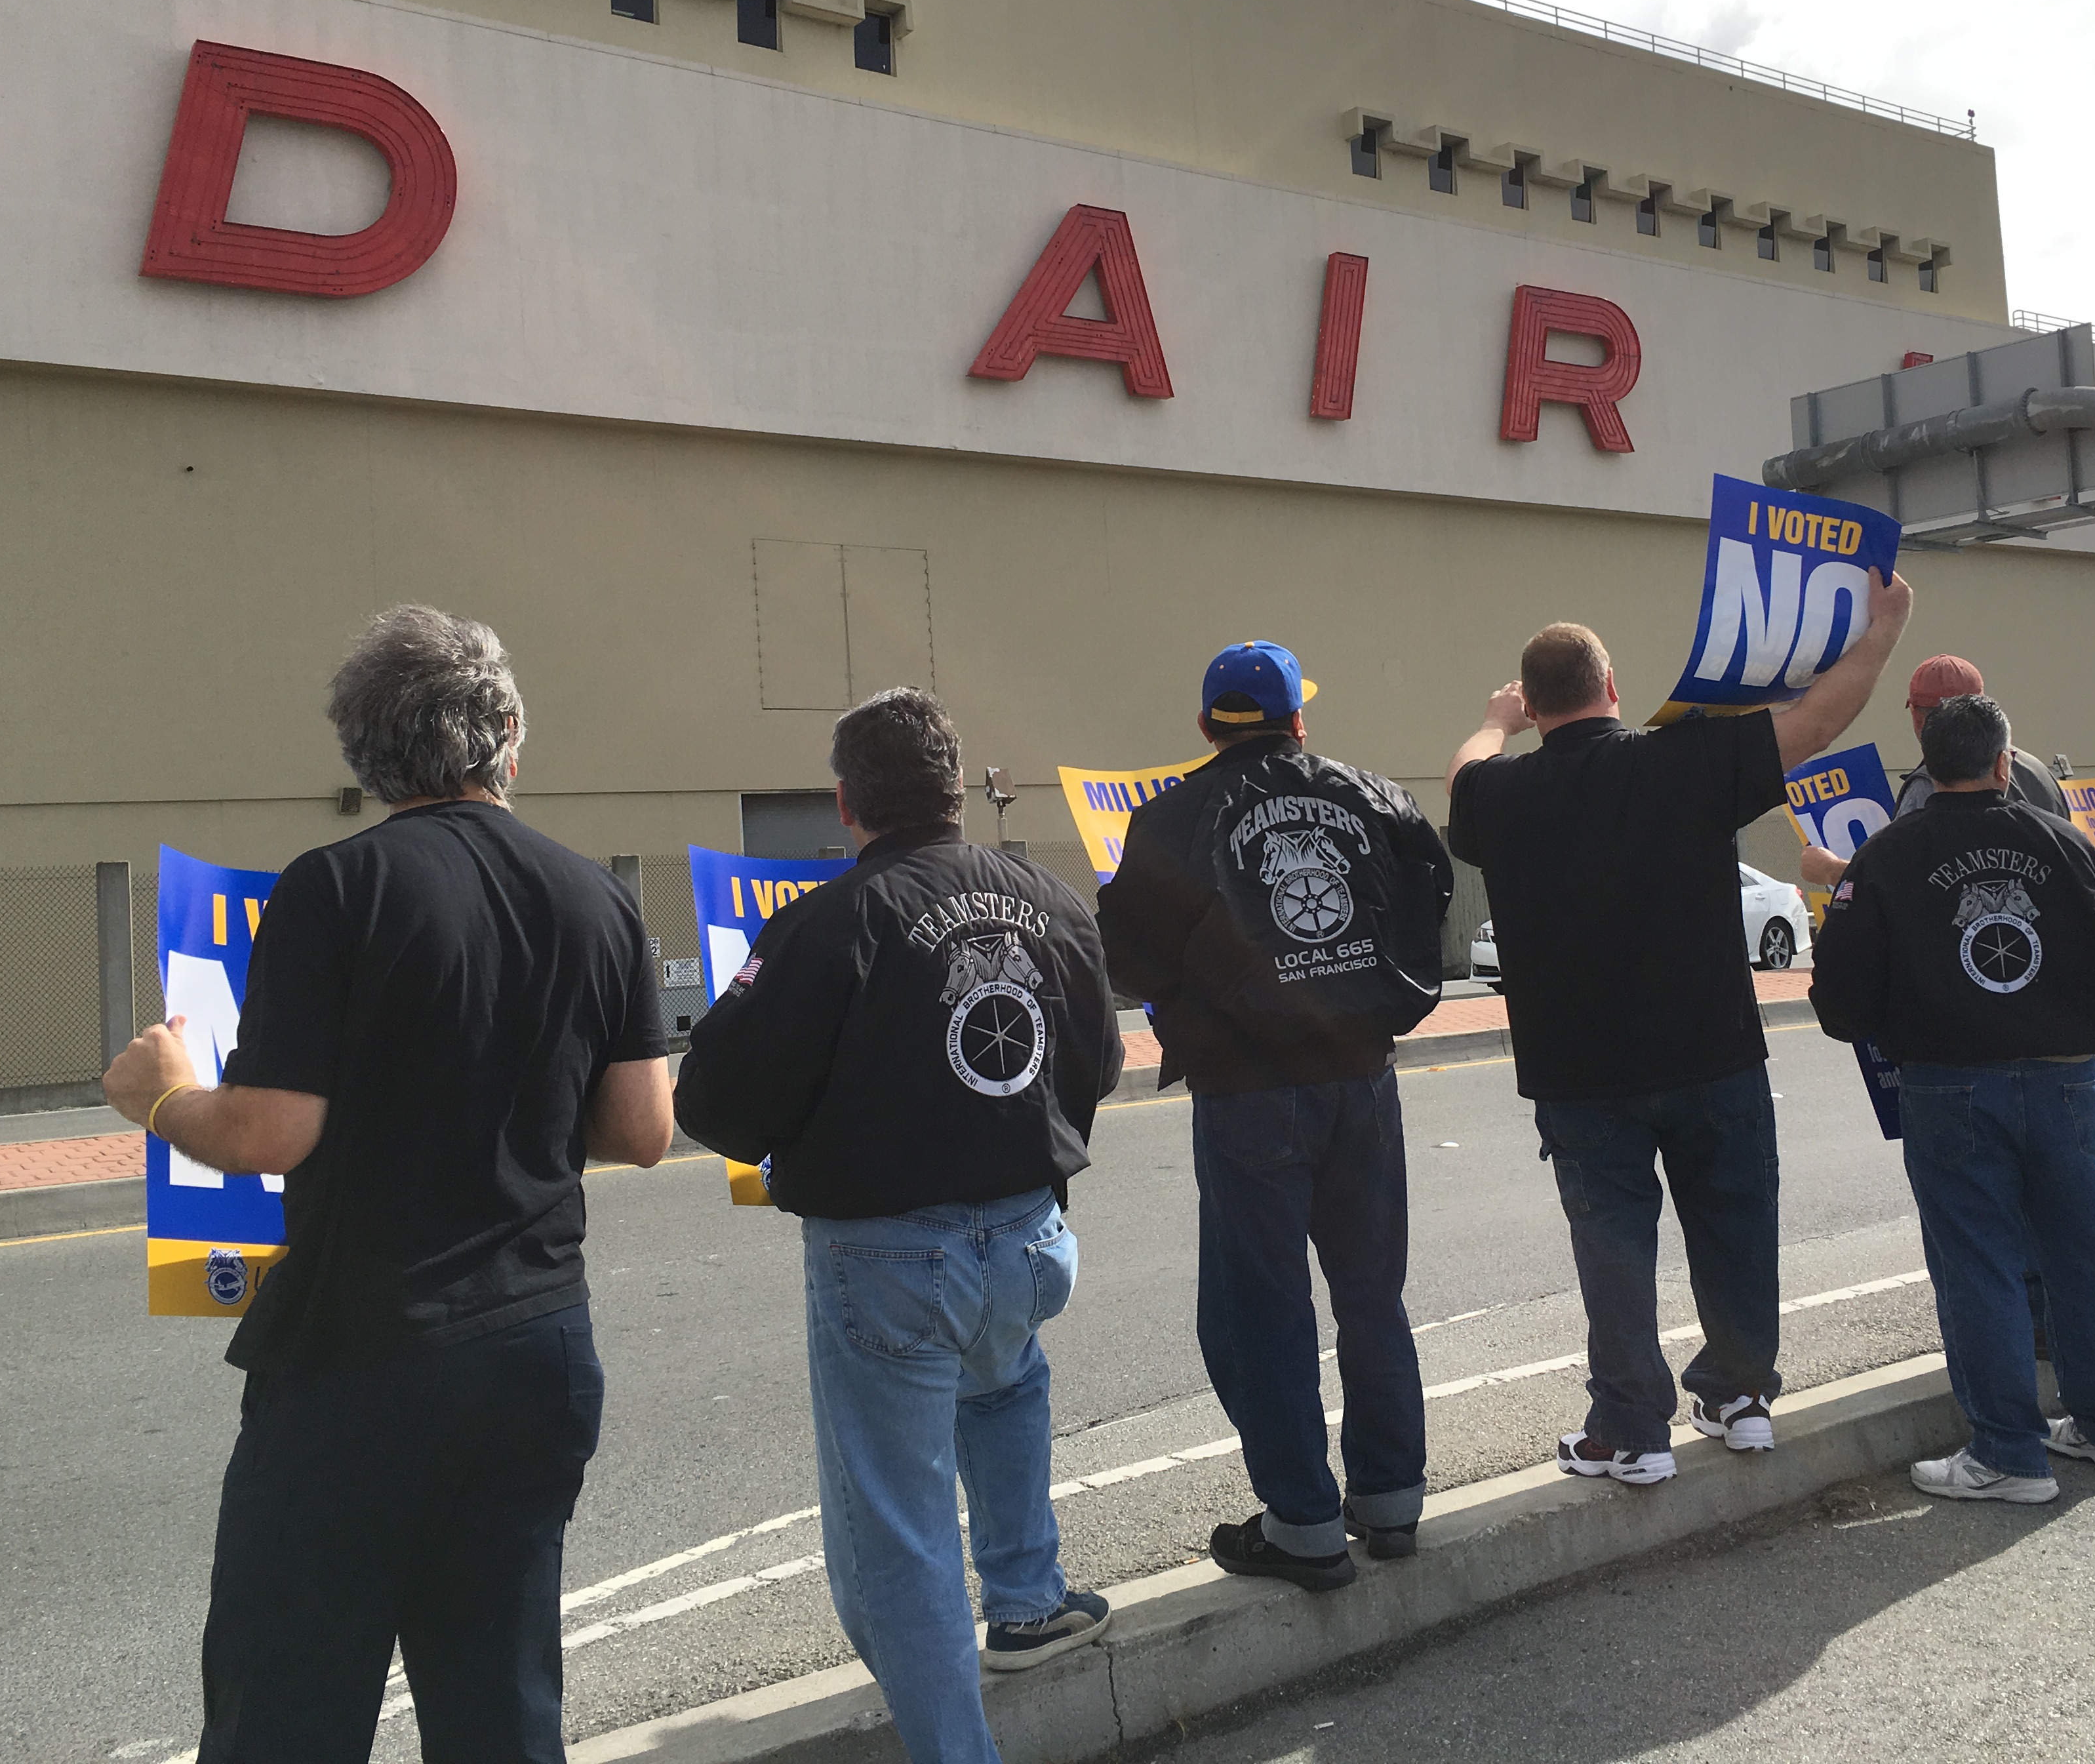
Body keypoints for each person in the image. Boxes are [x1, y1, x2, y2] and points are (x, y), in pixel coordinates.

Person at [99, 605, 677, 1764]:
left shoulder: (337, 887)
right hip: (538, 1348)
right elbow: (643, 1128)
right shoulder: (595, 895)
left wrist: (158, 1093)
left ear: (362, 754)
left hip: (364, 1354)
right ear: (506, 731)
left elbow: (267, 1130)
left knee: (289, 1705)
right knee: (500, 1703)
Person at [673, 688, 1122, 1764]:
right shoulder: (1053, 901)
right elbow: (1098, 1061)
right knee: (1006, 1377)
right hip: (1027, 1236)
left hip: (887, 1257)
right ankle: (1025, 1595)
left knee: (898, 1527)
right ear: (955, 788)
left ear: (846, 799)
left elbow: (715, 1100)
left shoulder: (827, 924)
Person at [1445, 574, 1911, 1485]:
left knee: (1614, 1248)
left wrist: (1496, 719)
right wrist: (1883, 631)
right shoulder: (1684, 759)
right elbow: (1815, 724)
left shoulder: (1502, 795)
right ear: (1613, 685)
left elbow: (1465, 771)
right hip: (1712, 1054)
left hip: (1581, 1074)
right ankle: (1738, 1399)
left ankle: (1631, 1431)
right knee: (1736, 1227)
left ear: (1537, 708)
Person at [1099, 641, 1454, 1591]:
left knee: (1261, 1309)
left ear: (1208, 726)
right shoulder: (1375, 795)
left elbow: (1127, 957)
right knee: (1372, 1295)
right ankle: (1391, 1500)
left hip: (1247, 1088)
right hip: (1360, 1076)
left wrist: (1198, 1000)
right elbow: (1431, 915)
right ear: (1300, 717)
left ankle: (1302, 1521)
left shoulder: (1170, 818)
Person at [1810, 694, 2095, 1502]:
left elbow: (1843, 998)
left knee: (1978, 1261)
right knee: (2087, 1250)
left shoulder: (1887, 856)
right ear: (2005, 761)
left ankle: (2008, 1451)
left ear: (1926, 765)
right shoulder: (2067, 843)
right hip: (2067, 1075)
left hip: (1947, 1081)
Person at [1799, 652, 2070, 891]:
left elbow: (1902, 885)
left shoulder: (1932, 786)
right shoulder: (2038, 772)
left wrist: (1832, 870)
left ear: (1916, 715)